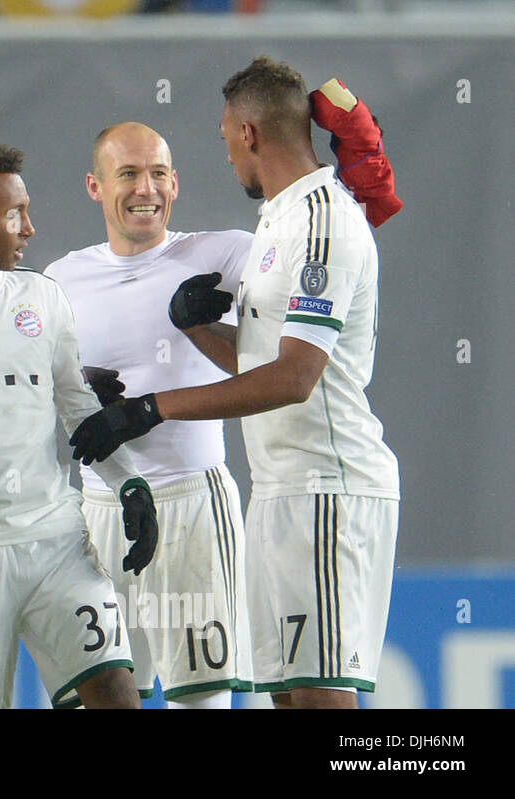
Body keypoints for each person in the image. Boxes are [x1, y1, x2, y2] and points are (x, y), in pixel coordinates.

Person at [71, 56, 400, 709]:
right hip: (280, 490)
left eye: (225, 141)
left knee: (319, 700)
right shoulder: (280, 220)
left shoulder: (323, 221)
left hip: (327, 488)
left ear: (247, 132)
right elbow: (262, 364)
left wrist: (151, 408)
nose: (227, 159)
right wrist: (202, 331)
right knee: (292, 696)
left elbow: (297, 377)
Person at [0, 140, 153, 709]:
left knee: (117, 694)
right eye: (14, 213)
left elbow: (79, 408)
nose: (30, 228)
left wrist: (130, 483)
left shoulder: (41, 297)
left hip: (54, 541)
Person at [44, 122, 254, 708]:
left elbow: (280, 366)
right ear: (94, 186)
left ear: (176, 182)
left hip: (194, 504)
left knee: (202, 699)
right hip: (95, 512)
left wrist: (209, 324)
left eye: (159, 173)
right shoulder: (60, 280)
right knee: (100, 700)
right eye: (129, 174)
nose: (147, 189)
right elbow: (39, 391)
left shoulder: (225, 255)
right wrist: (76, 386)